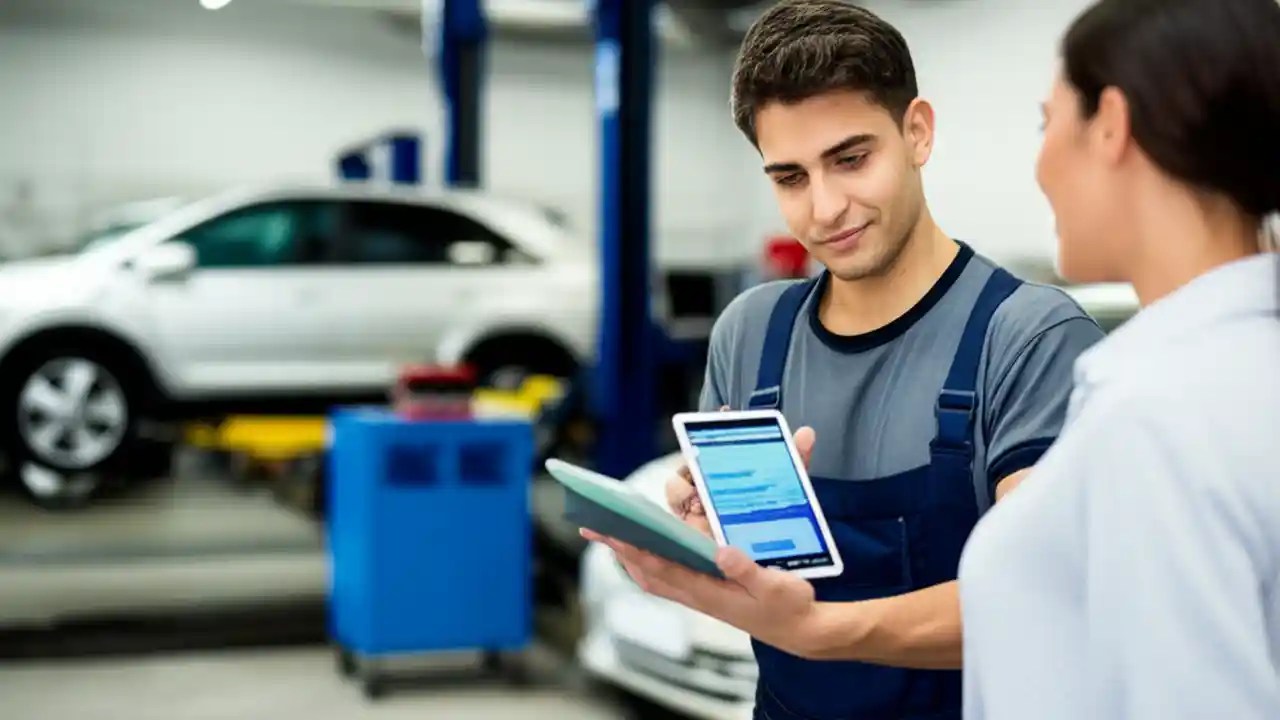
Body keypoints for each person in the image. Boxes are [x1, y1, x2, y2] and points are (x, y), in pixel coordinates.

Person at [581, 1, 1105, 718]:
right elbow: (759, 578)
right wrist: (706, 541)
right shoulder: (750, 334)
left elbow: (1042, 594)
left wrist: (822, 632)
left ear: (917, 131)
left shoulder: (1029, 338)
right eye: (790, 178)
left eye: (850, 159)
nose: (825, 208)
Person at [957, 0, 1280, 718]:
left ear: (1111, 123)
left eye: (1048, 123)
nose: (1040, 164)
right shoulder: (1239, 369)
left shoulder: (1158, 416)